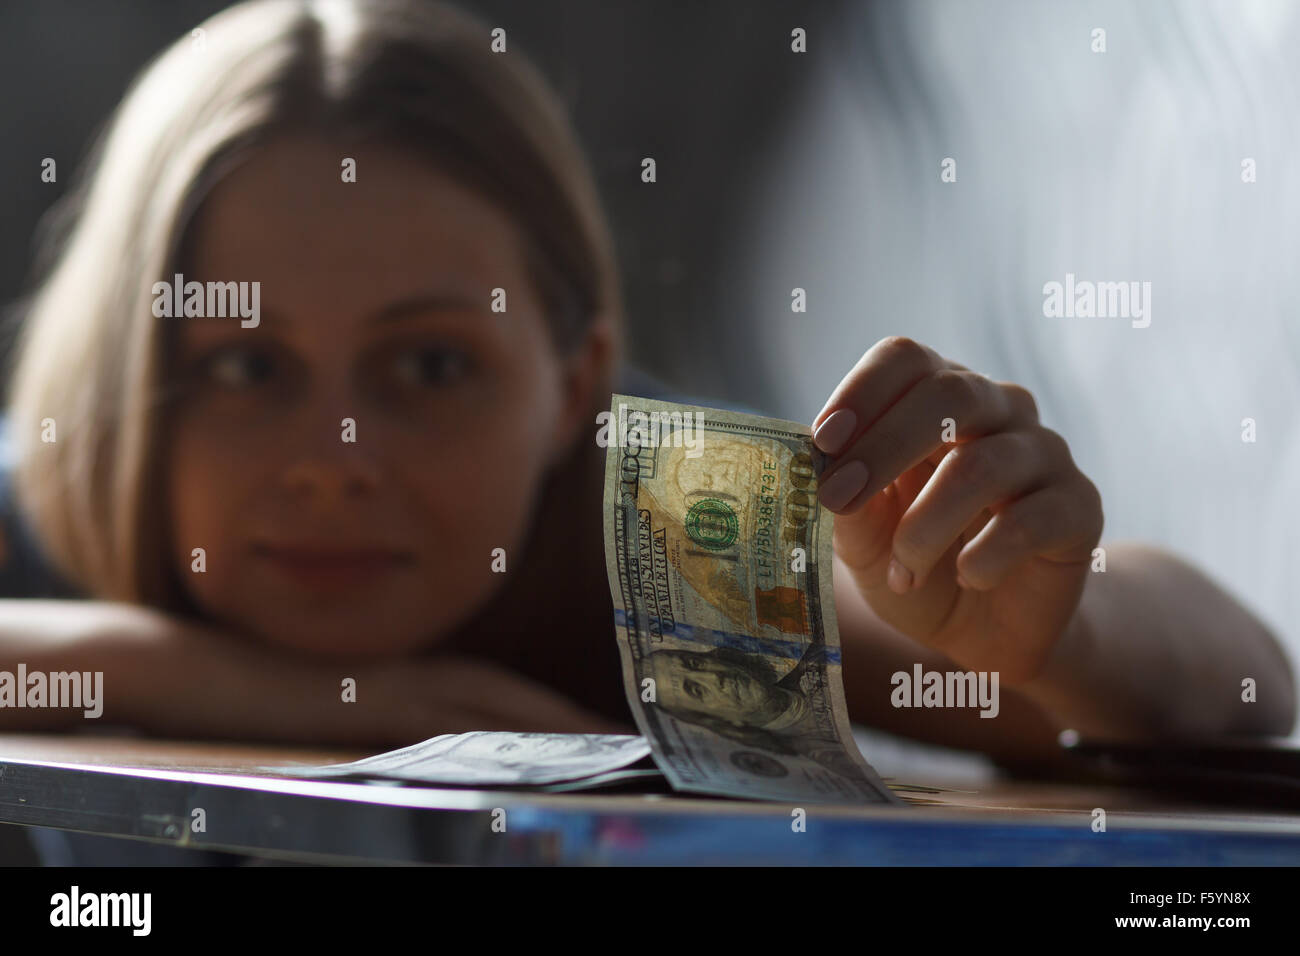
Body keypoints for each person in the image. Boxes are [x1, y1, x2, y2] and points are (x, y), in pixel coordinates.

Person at [1, 0, 1293, 780]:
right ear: (124, 383)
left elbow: (1248, 681)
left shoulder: (661, 538)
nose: (335, 455)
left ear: (577, 389)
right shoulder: (42, 504)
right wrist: (329, 701)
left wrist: (1053, 636)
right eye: (244, 365)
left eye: (433, 365)